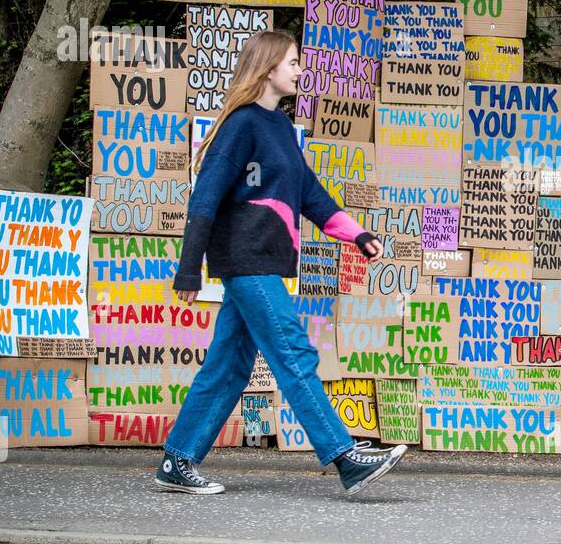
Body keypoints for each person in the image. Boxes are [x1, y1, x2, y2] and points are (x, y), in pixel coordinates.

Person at [156, 29, 406, 496]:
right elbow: (204, 199)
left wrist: (359, 235)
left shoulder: (278, 128)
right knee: (293, 351)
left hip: (266, 261)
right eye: (292, 62)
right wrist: (189, 269)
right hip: (247, 261)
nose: (298, 69)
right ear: (268, 68)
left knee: (228, 366)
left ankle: (177, 460)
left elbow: (309, 193)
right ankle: (345, 455)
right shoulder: (241, 125)